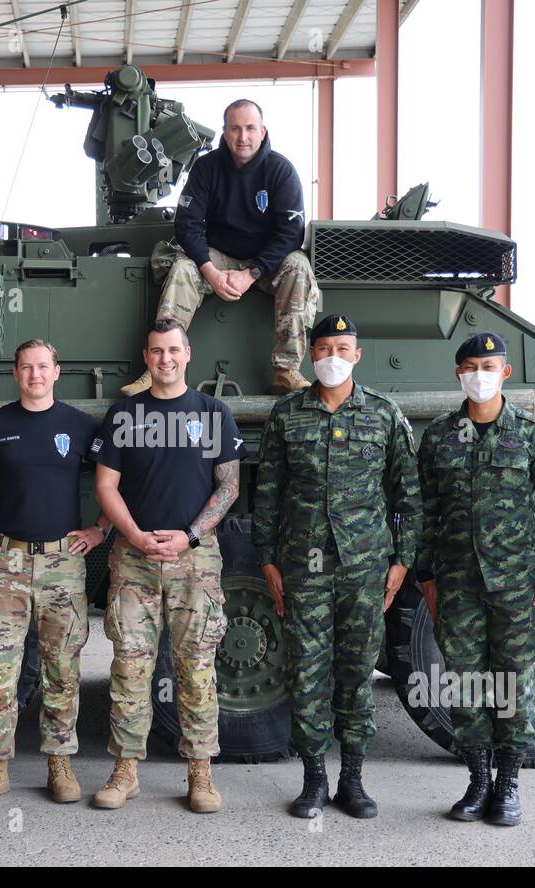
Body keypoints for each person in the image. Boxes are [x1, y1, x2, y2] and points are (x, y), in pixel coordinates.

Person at [253, 314, 421, 819]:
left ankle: (353, 778)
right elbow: (267, 495)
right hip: (303, 568)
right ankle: (313, 780)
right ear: (310, 354)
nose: (332, 357)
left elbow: (408, 495)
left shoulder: (385, 415)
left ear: (357, 355)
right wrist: (267, 559)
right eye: (323, 348)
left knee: (356, 670)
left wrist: (402, 560)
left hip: (364, 569)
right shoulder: (288, 415)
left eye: (342, 348)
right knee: (306, 671)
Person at [416, 332, 535, 826]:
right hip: (459, 582)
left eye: (488, 365)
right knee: (465, 685)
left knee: (513, 684)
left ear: (505, 372)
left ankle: (508, 785)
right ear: (458, 374)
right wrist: (426, 577)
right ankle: (478, 781)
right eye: (469, 366)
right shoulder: (441, 434)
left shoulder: (532, 433)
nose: (478, 374)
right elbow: (423, 512)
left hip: (517, 583)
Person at [91, 318, 245, 812]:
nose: (166, 359)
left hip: (194, 563)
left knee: (196, 669)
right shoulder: (124, 414)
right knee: (130, 669)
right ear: (146, 356)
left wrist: (191, 535)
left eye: (173, 350)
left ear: (188, 353)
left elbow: (229, 486)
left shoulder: (213, 413)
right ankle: (125, 771)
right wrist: (134, 535)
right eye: (157, 351)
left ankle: (200, 775)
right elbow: (106, 486)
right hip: (133, 561)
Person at [0, 339, 110, 805]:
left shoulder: (79, 426)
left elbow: (116, 475)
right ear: (16, 373)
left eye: (43, 366)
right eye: (26, 367)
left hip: (63, 561)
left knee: (62, 667)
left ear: (57, 372)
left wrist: (102, 529)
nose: (35, 374)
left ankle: (59, 764)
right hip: (7, 560)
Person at [123, 98, 320, 397]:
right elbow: (187, 224)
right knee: (182, 269)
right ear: (225, 132)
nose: (243, 137)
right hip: (217, 257)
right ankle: (159, 371)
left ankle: (286, 370)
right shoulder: (206, 169)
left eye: (250, 128)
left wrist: (252, 273)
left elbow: (290, 233)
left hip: (266, 261)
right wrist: (210, 272)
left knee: (299, 266)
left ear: (263, 131)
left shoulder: (281, 170)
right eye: (235, 129)